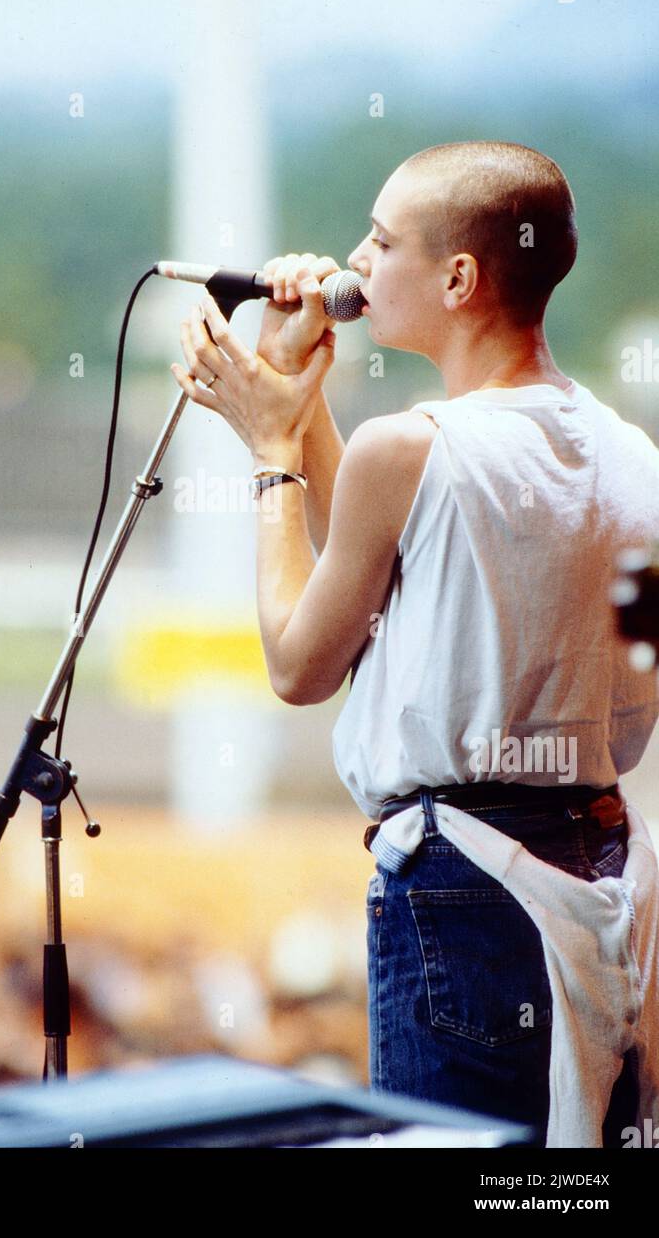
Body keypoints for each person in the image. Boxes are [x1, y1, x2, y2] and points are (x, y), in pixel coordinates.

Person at [169, 140, 659, 1145]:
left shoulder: (411, 446)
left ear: (458, 277)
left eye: (381, 239)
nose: (354, 255)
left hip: (459, 886)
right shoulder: (625, 452)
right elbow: (405, 552)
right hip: (600, 865)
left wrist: (270, 455)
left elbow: (300, 662)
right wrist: (301, 410)